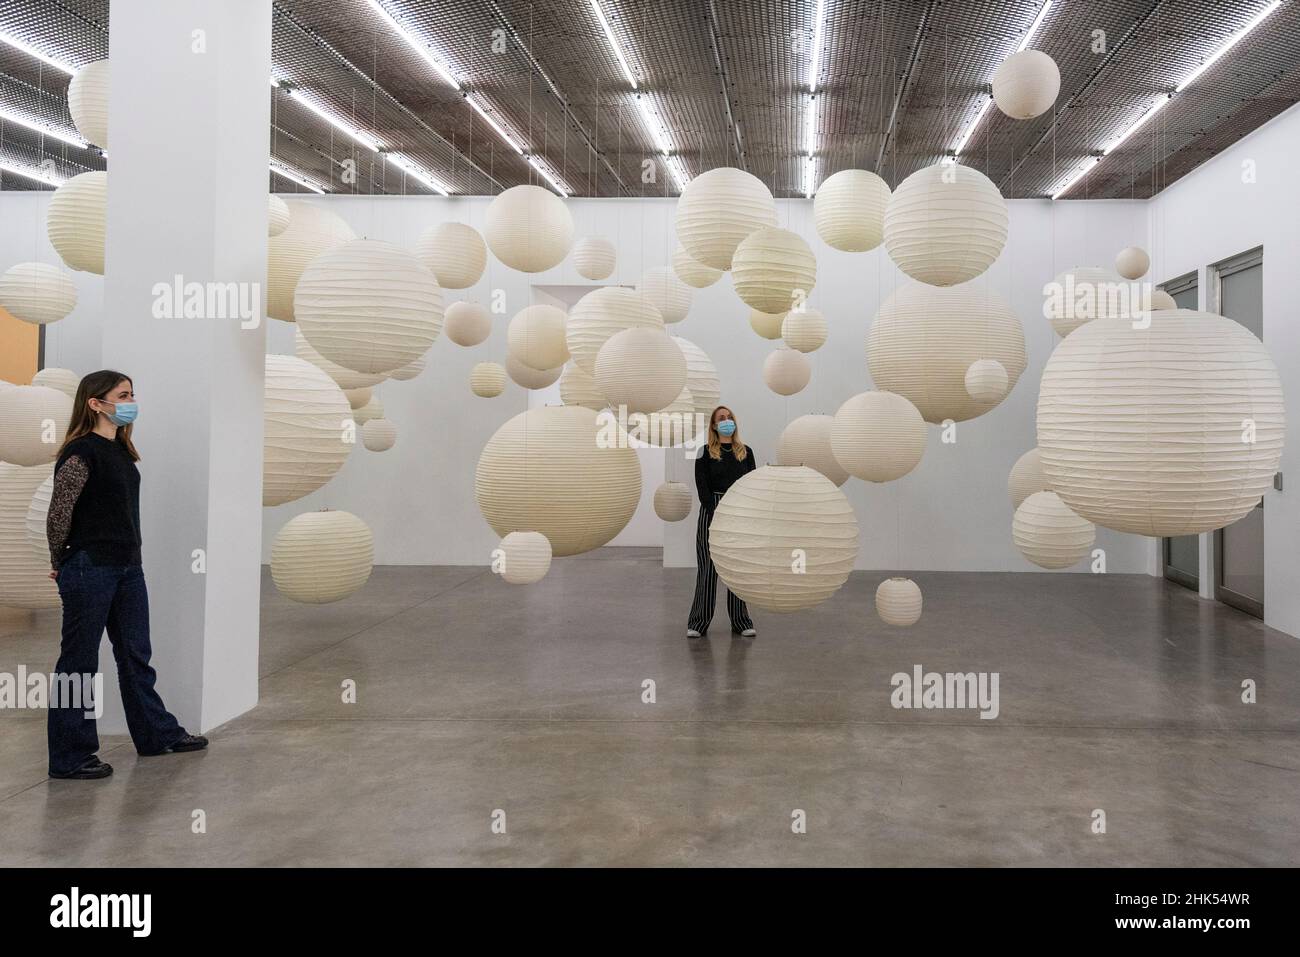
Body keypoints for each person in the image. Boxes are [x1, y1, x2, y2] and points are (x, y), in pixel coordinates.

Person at [45, 370, 207, 780]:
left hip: (128, 567)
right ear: (95, 403)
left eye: (132, 394)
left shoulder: (121, 450)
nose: (131, 402)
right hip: (89, 567)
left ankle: (156, 735)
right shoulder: (80, 452)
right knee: (78, 662)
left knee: (135, 654)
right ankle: (70, 756)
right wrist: (59, 560)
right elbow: (59, 513)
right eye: (123, 395)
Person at [686, 406, 757, 639]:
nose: (727, 421)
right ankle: (698, 622)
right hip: (712, 510)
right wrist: (714, 511)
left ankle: (740, 621)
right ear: (714, 426)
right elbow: (702, 486)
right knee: (708, 568)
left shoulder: (746, 451)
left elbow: (752, 484)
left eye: (730, 417)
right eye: (722, 418)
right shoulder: (704, 452)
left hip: (739, 512)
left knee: (737, 569)